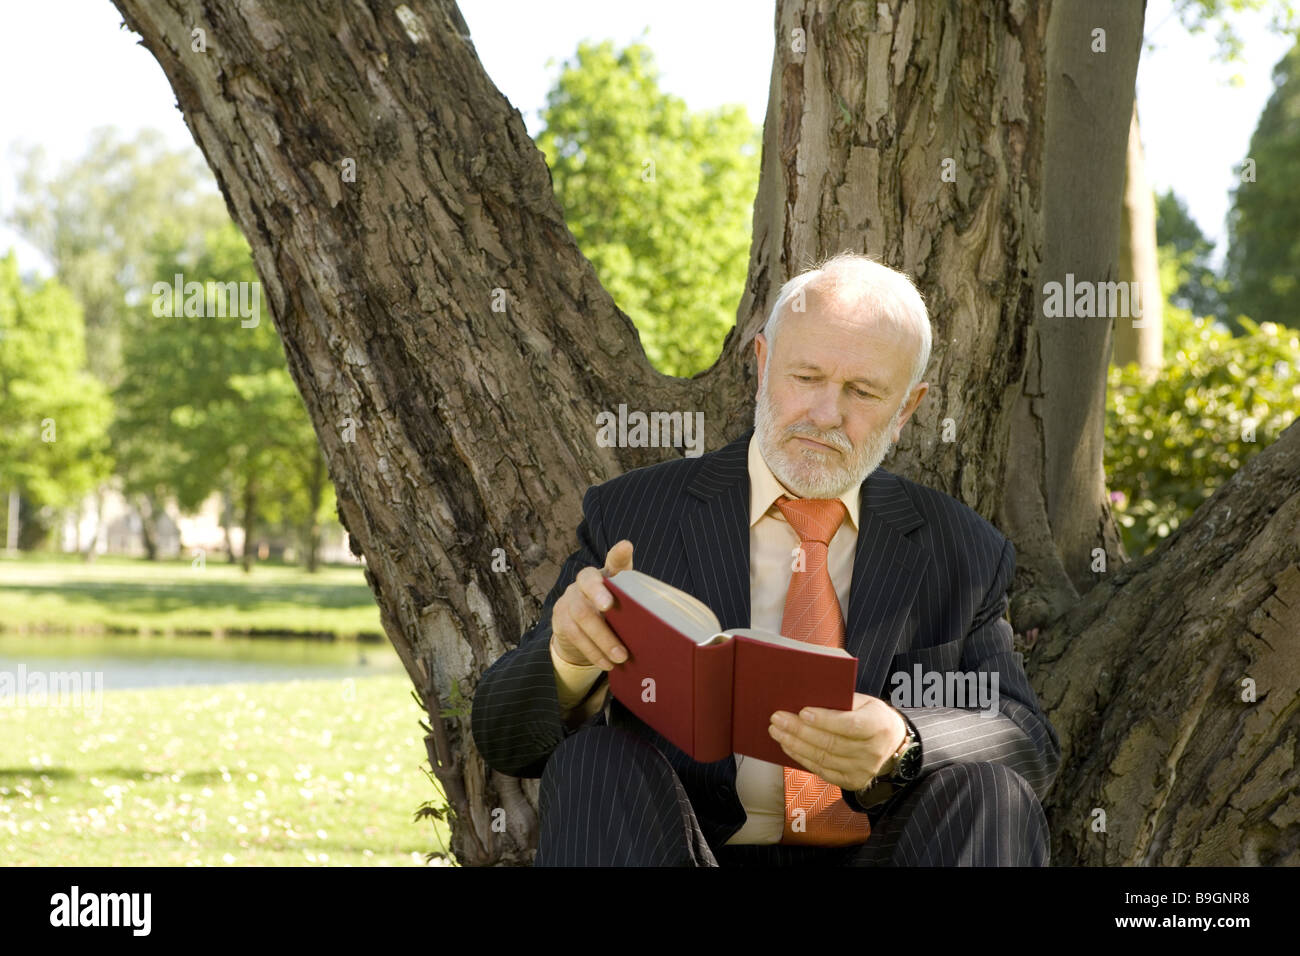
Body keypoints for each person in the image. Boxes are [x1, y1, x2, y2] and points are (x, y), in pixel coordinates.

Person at [471, 252, 1062, 866]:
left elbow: (1027, 739)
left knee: (994, 792)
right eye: (806, 377)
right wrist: (567, 659)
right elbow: (504, 739)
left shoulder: (960, 548)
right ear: (761, 365)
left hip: (883, 854)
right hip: (686, 851)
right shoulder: (637, 514)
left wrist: (904, 742)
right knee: (592, 761)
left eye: (862, 391)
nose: (826, 414)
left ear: (906, 409)